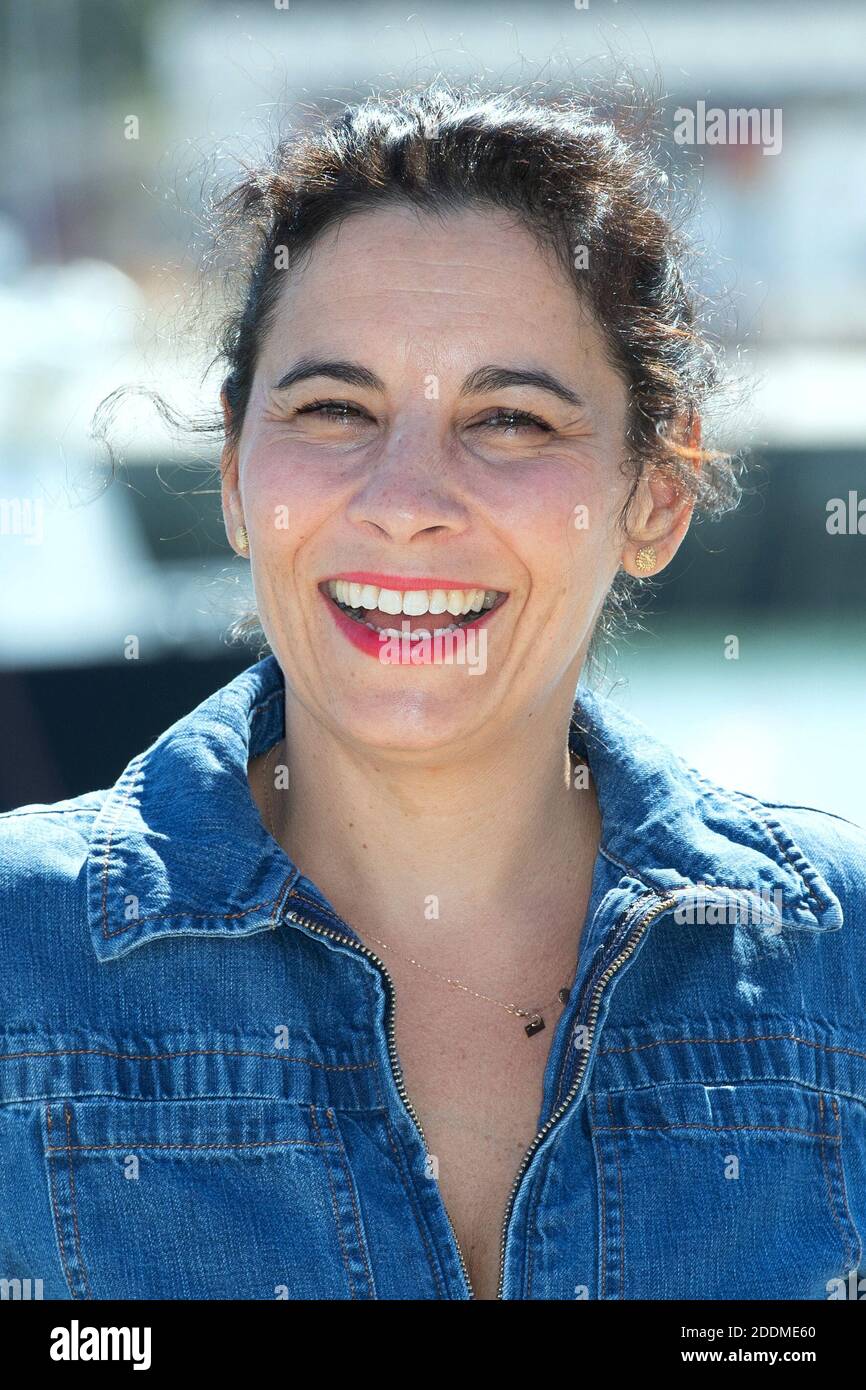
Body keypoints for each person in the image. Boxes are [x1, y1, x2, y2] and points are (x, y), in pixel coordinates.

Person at [1, 84, 864, 1302]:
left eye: (508, 419)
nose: (405, 496)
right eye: (333, 408)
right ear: (237, 476)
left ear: (654, 498)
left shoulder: (844, 962)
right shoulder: (14, 955)